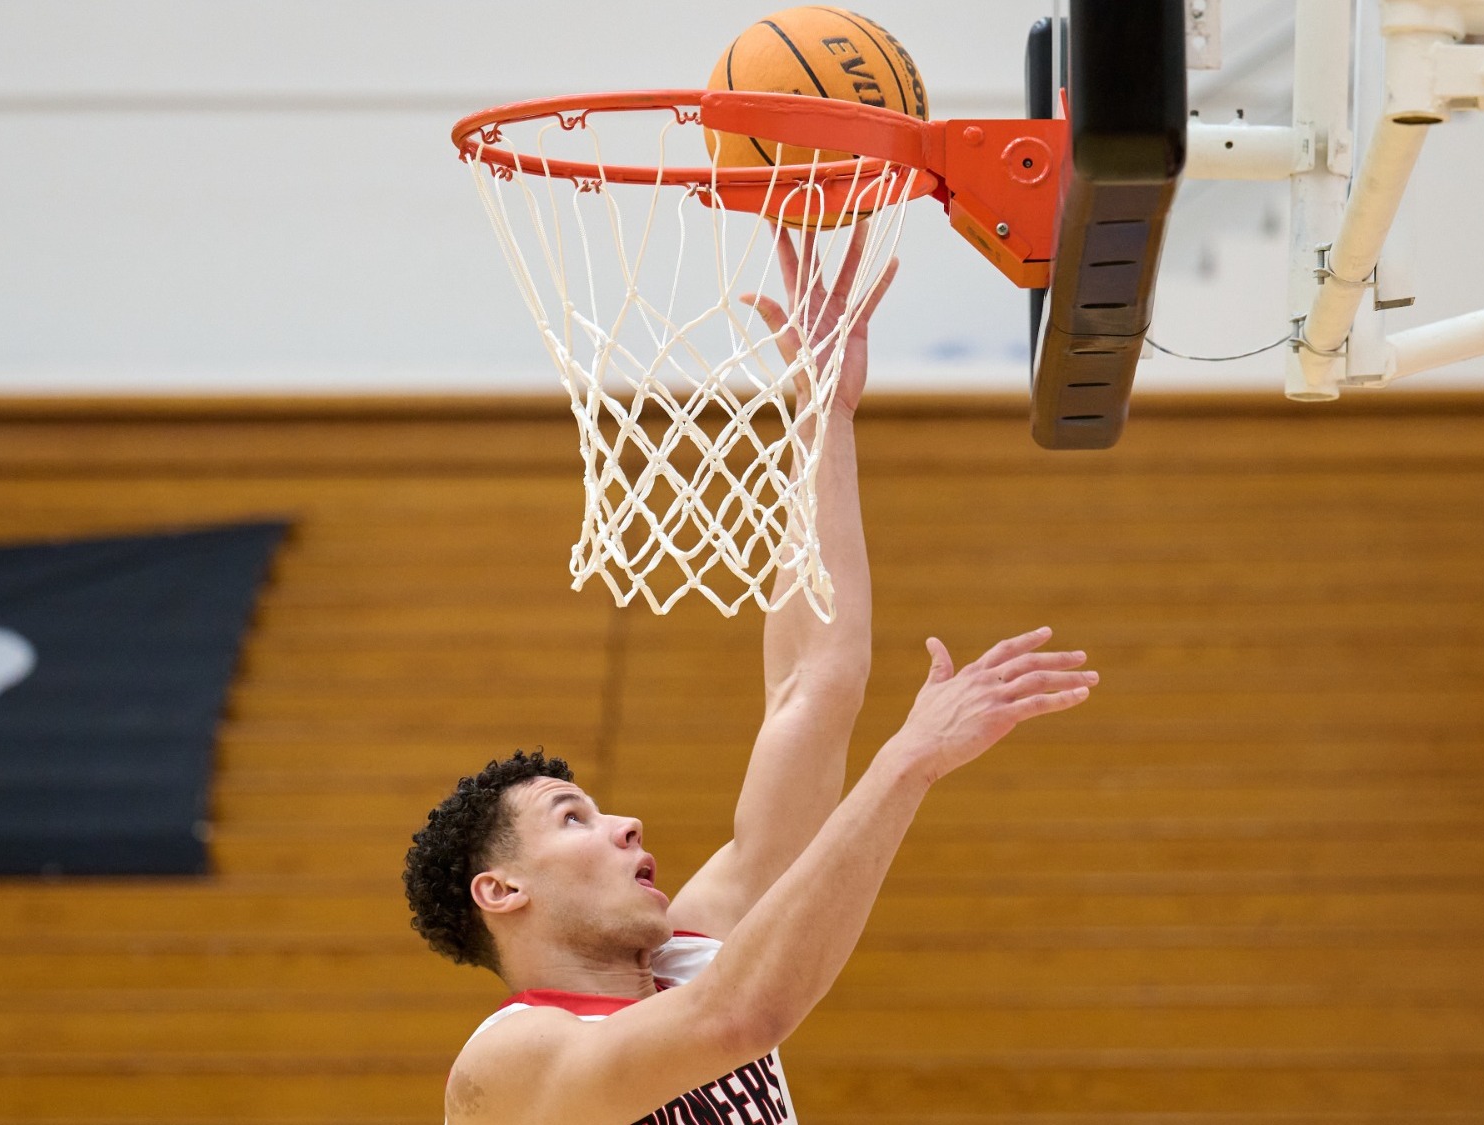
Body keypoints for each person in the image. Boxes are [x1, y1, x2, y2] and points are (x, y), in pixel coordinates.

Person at [403, 231, 1098, 1125]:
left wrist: (823, 412)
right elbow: (742, 1014)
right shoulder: (510, 1058)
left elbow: (817, 679)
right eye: (572, 816)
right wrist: (907, 763)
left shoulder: (693, 952)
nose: (626, 822)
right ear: (501, 891)